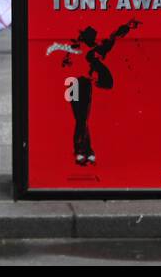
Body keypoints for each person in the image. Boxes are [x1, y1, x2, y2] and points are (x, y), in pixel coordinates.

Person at [55, 19, 139, 166]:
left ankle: (83, 151)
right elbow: (64, 65)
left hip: (82, 84)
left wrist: (126, 27)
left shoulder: (91, 50)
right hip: (72, 84)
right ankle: (84, 151)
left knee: (81, 119)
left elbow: (112, 38)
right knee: (81, 119)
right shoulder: (73, 48)